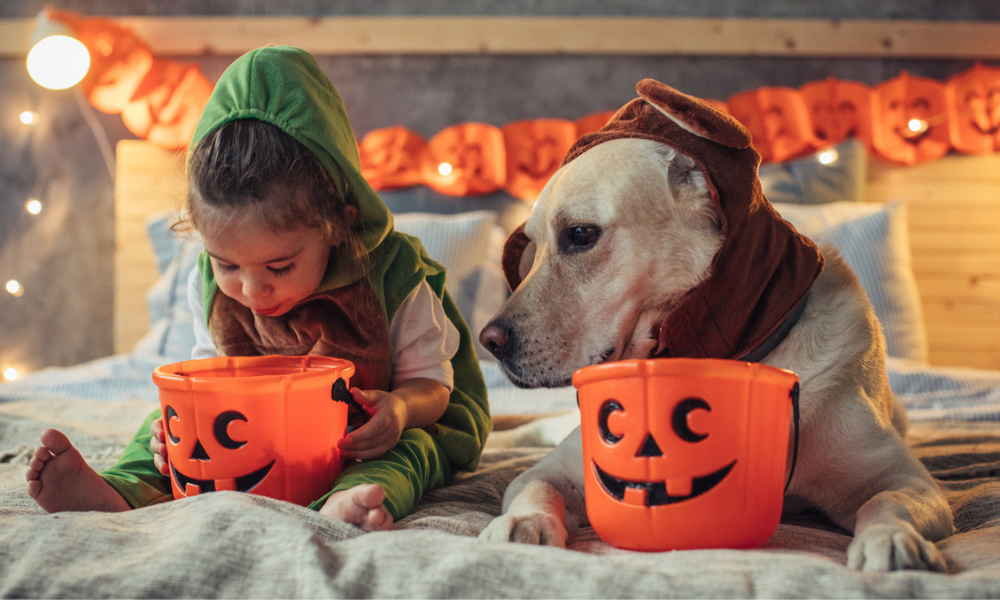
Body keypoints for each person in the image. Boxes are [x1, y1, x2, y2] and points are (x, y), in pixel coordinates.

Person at [25, 46, 491, 531]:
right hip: (255, 430)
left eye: (280, 266)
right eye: (226, 264)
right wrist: (178, 430)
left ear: (338, 225)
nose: (251, 290)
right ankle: (116, 490)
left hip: (366, 434)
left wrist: (397, 408)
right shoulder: (206, 285)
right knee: (161, 433)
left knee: (412, 449)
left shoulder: (394, 278)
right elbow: (207, 381)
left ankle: (350, 500)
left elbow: (433, 389)